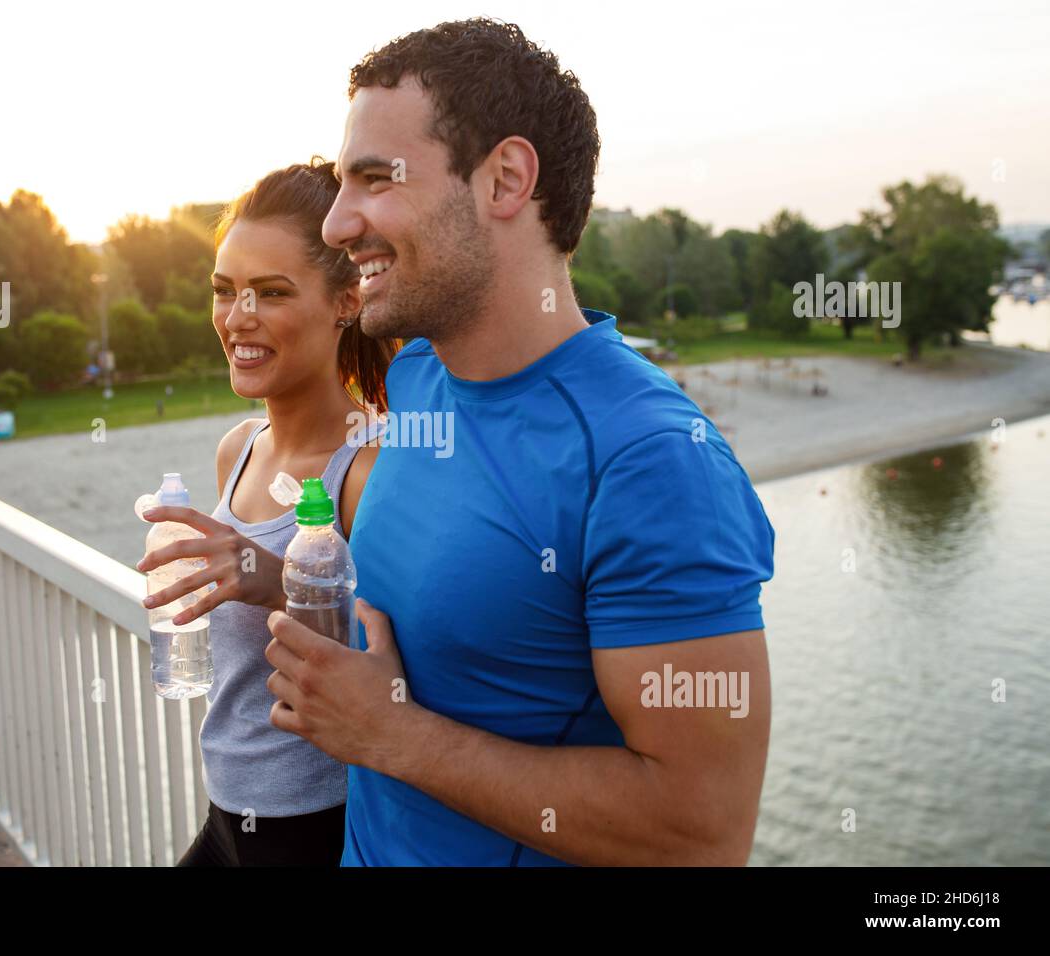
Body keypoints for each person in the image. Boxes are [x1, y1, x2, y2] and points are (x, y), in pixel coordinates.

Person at [263, 19, 776, 866]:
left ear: (505, 180)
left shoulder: (654, 460)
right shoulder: (421, 375)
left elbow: (702, 833)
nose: (337, 222)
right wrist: (265, 575)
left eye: (373, 179)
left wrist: (393, 737)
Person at [135, 161, 401, 865]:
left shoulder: (368, 469)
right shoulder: (237, 449)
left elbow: (401, 668)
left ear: (346, 299)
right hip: (226, 813)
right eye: (225, 291)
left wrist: (273, 575)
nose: (237, 317)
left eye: (271, 292)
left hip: (313, 827)